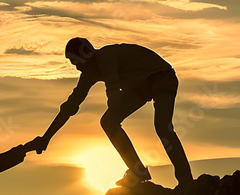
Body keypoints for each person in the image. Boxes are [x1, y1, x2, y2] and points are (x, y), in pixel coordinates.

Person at [35, 38, 194, 187]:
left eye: (77, 61)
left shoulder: (106, 57)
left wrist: (114, 112)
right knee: (108, 122)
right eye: (73, 63)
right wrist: (46, 138)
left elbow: (113, 93)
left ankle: (186, 180)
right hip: (139, 88)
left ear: (87, 56)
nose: (76, 67)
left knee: (162, 127)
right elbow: (69, 106)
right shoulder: (89, 74)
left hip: (162, 78)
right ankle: (138, 172)